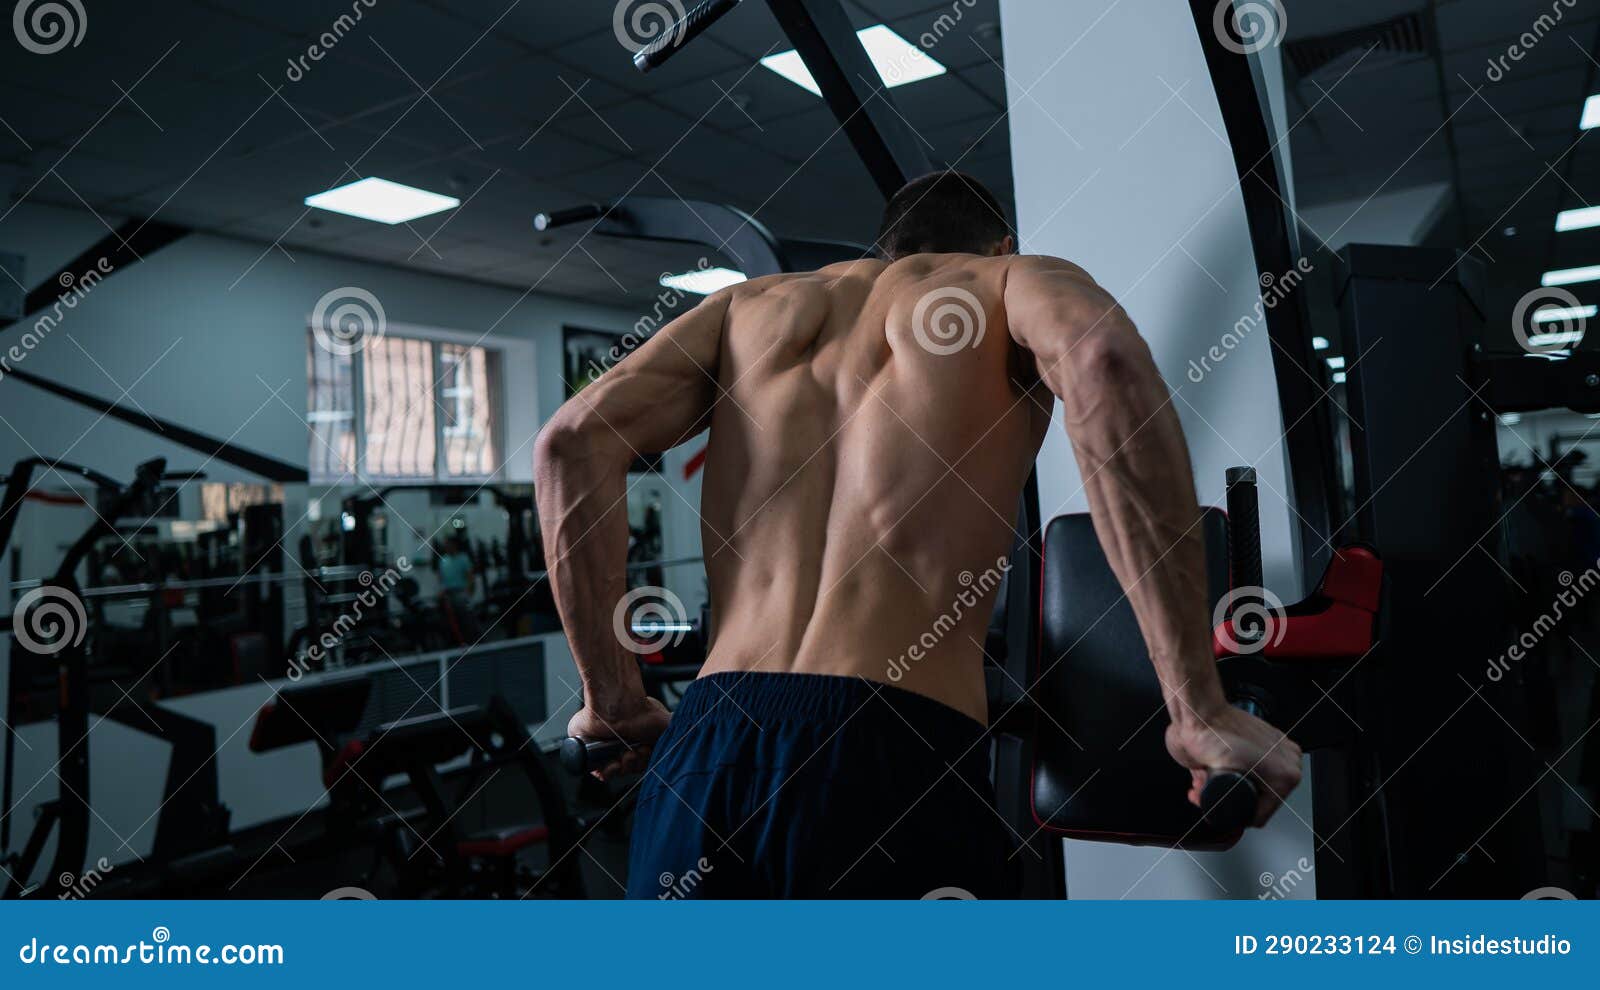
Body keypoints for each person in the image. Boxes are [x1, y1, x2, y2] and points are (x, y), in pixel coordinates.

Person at [534, 170, 1303, 898]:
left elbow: (570, 442)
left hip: (705, 749)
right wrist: (1196, 708)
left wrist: (612, 702)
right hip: (887, 748)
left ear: (886, 247)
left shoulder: (747, 307)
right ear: (1001, 243)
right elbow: (1099, 358)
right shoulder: (1012, 280)